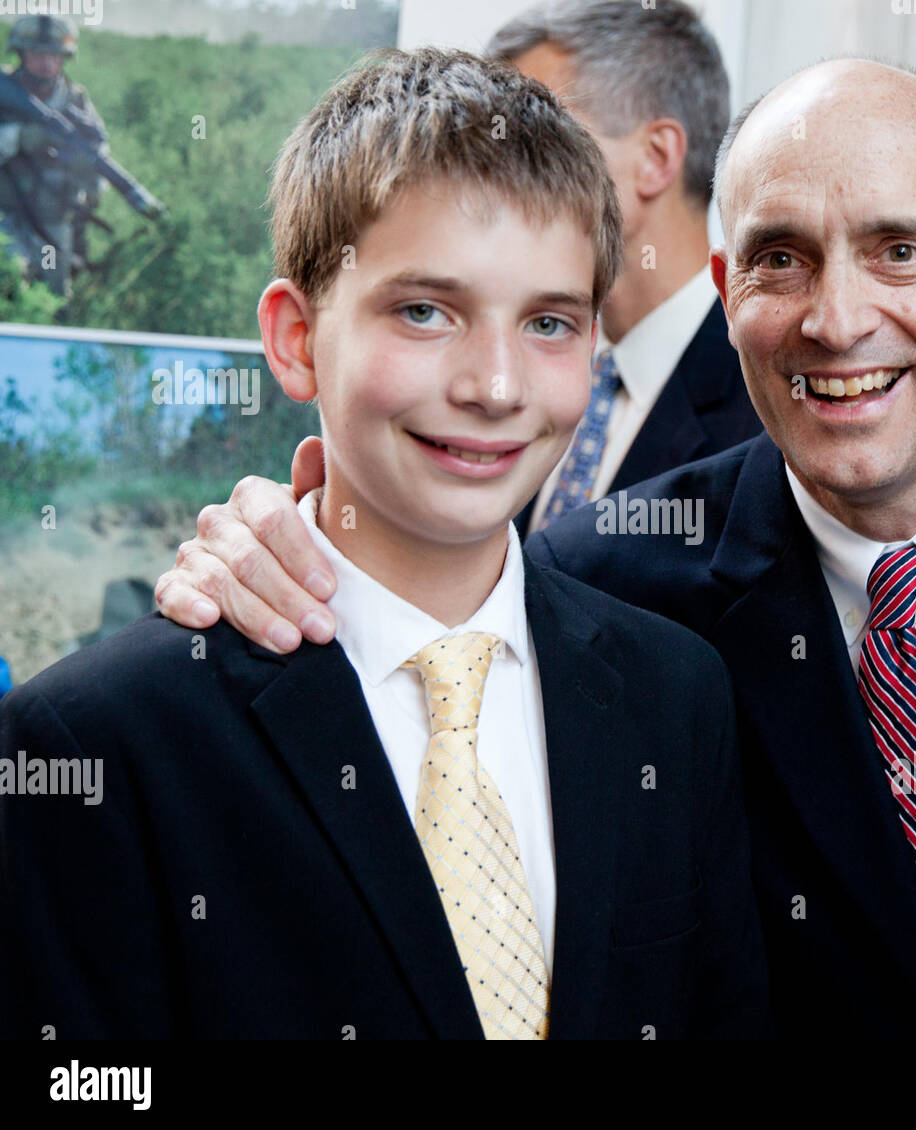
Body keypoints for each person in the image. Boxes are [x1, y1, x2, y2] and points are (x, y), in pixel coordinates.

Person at [153, 58, 916, 1041]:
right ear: (723, 286)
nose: (836, 319)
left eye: (897, 249)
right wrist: (291, 534)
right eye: (782, 259)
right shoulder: (606, 589)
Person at [0, 48, 769, 1040]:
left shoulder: (676, 694)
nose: (494, 385)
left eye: (547, 322)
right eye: (423, 310)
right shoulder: (100, 740)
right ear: (293, 337)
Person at [488, 0, 761, 533]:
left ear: (656, 158)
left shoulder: (771, 416)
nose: (493, 175)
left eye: (535, 141)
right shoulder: (515, 369)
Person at [0, 15, 105, 296]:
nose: (46, 63)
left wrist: (91, 176)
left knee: (55, 298)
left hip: (53, 221)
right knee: (12, 282)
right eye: (38, 54)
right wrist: (18, 138)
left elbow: (99, 152)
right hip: (7, 217)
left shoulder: (75, 99)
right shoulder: (4, 92)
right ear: (22, 54)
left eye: (54, 55)